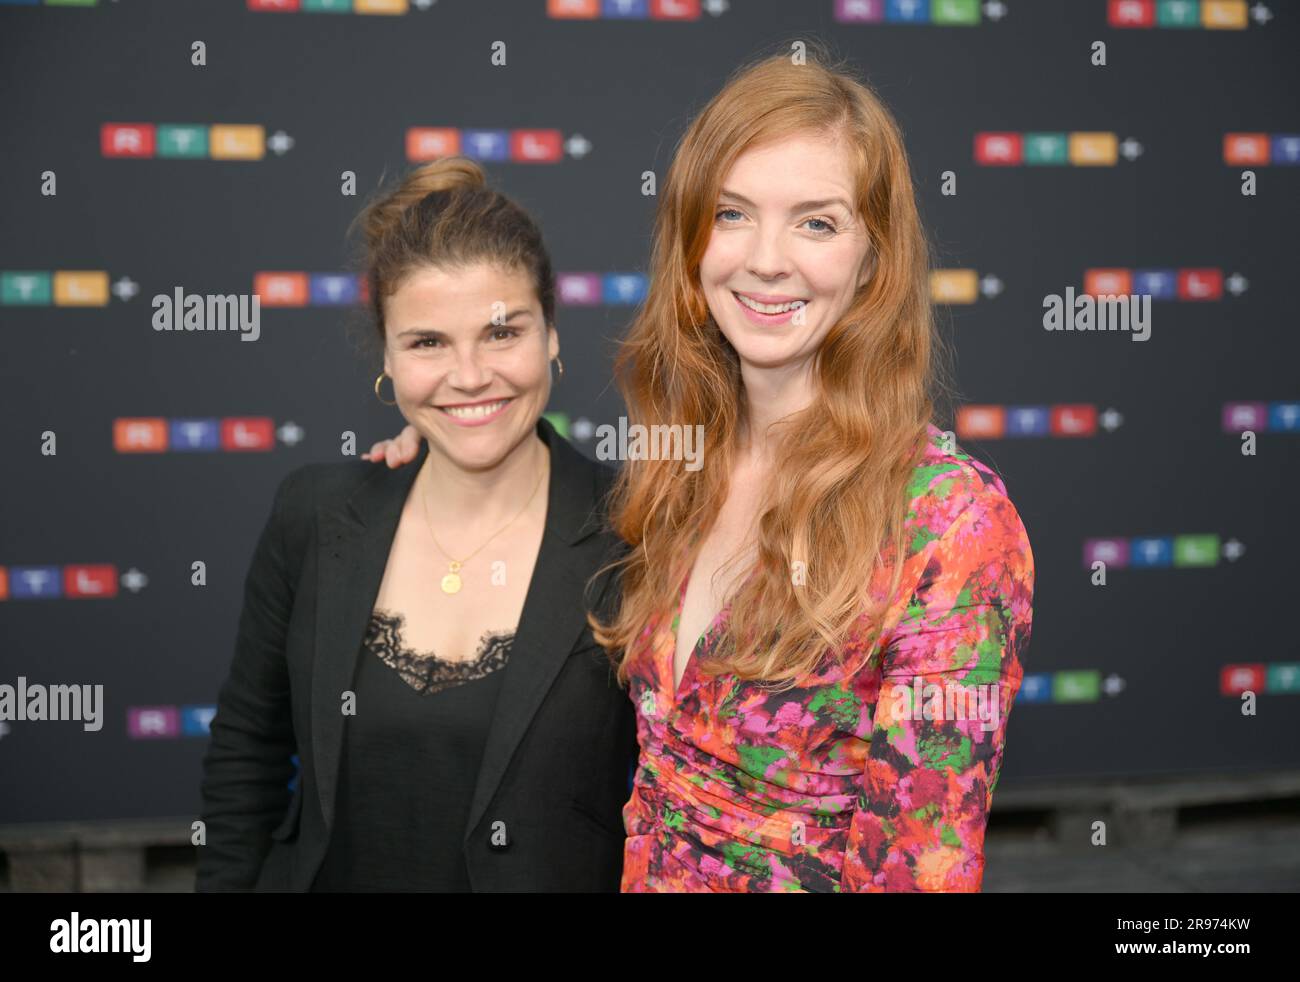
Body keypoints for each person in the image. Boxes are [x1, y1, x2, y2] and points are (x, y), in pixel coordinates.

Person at [370, 42, 1035, 892]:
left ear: (874, 258)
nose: (765, 257)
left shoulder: (949, 522)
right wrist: (435, 456)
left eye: (817, 221)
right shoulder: (676, 469)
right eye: (731, 213)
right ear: (690, 239)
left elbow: (920, 867)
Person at [197, 157, 637, 892]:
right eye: (427, 343)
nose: (468, 375)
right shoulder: (314, 515)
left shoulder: (637, 535)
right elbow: (247, 758)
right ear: (389, 363)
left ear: (552, 335)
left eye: (502, 333)